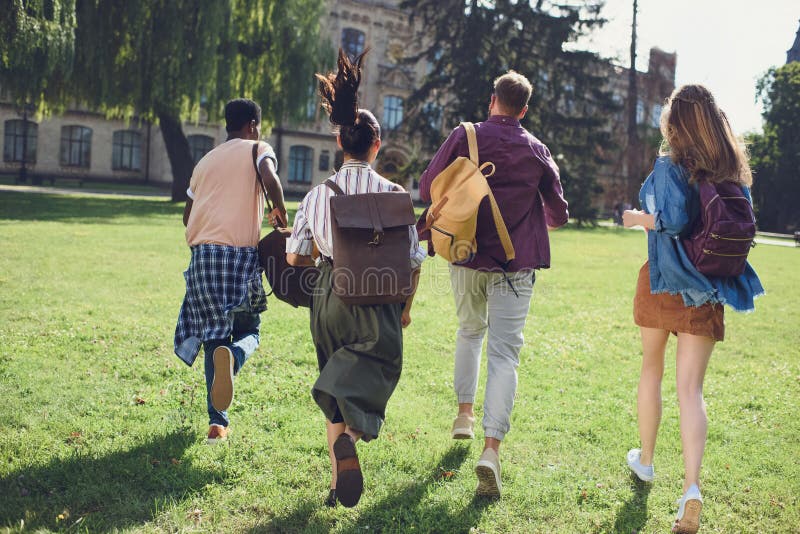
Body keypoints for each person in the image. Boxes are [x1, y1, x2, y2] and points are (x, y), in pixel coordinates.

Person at [417, 71, 569, 497]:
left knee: (469, 331)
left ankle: (464, 413)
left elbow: (429, 186)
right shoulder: (537, 149)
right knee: (505, 355)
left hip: (464, 255)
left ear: (492, 101)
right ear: (523, 110)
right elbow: (558, 214)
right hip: (516, 265)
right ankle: (491, 450)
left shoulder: (464, 136)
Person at [284, 49, 425, 508]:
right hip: (379, 296)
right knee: (379, 372)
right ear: (376, 145)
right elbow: (414, 260)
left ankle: (334, 483)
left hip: (330, 296)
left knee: (336, 390)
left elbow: (293, 258)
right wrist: (405, 308)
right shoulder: (396, 194)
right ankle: (356, 435)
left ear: (340, 144)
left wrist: (320, 263)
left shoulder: (316, 195)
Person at [622, 84, 764, 534]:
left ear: (675, 124)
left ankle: (645, 461)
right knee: (691, 391)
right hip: (708, 290)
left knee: (651, 371)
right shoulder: (732, 173)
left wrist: (638, 219)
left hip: (664, 282)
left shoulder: (669, 165)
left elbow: (674, 220)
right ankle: (691, 488)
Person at [174, 98, 287, 444]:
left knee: (214, 338)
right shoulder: (258, 148)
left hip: (202, 259)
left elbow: (186, 216)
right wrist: (280, 214)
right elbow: (270, 179)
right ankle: (235, 359)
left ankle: (216, 425)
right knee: (250, 328)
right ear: (253, 125)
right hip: (239, 258)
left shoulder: (205, 161)